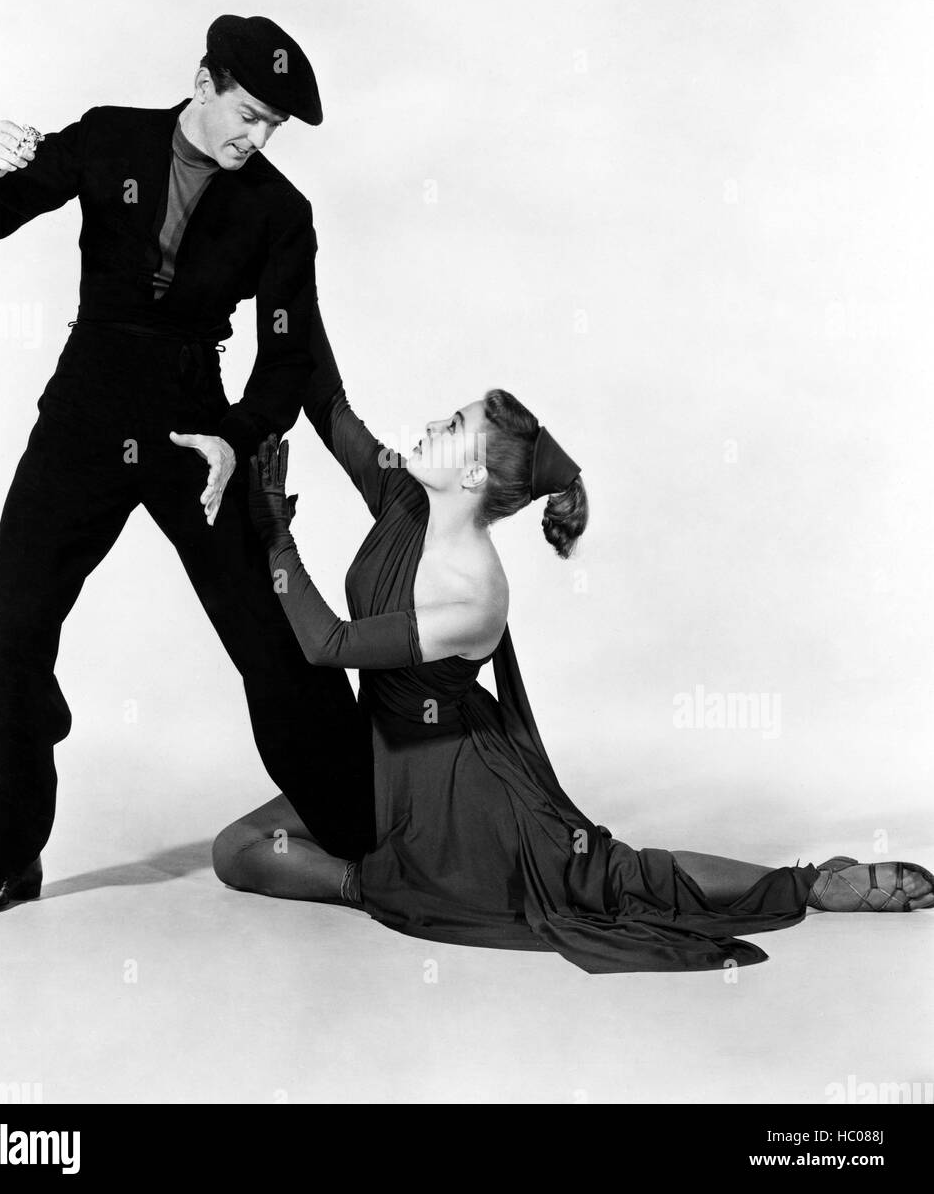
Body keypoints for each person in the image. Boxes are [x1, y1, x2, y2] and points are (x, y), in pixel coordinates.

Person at [212, 307, 934, 973]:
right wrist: (291, 290)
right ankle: (382, 880)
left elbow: (327, 645)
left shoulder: (474, 594)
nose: (430, 423)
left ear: (473, 472)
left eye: (453, 423)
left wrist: (277, 536)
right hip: (372, 758)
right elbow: (328, 403)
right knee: (234, 852)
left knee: (611, 877)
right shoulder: (403, 495)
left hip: (457, 786)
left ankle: (807, 884)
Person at [0, 14, 374, 917]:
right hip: (83, 416)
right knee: (13, 632)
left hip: (193, 433)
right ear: (204, 81)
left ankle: (367, 832)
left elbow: (288, 351)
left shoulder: (279, 211)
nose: (254, 138)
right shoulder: (109, 138)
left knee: (268, 640)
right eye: (247, 113)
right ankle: (13, 855)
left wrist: (238, 435)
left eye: (272, 128)